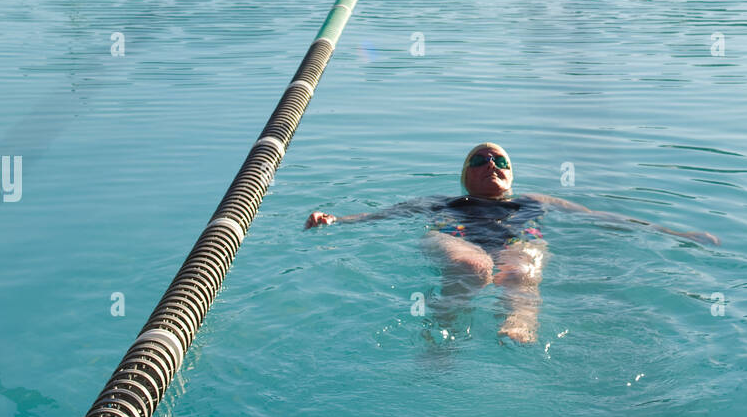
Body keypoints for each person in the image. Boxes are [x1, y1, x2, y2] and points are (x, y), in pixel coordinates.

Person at [305, 141, 718, 344]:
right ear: (464, 175)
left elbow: (603, 219)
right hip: (455, 235)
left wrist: (675, 234)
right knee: (472, 268)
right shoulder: (442, 201)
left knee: (518, 269)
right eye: (480, 161)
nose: (491, 165)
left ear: (511, 175)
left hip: (518, 240)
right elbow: (384, 215)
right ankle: (441, 335)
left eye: (500, 161)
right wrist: (336, 220)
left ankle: (519, 321)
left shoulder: (534, 201)